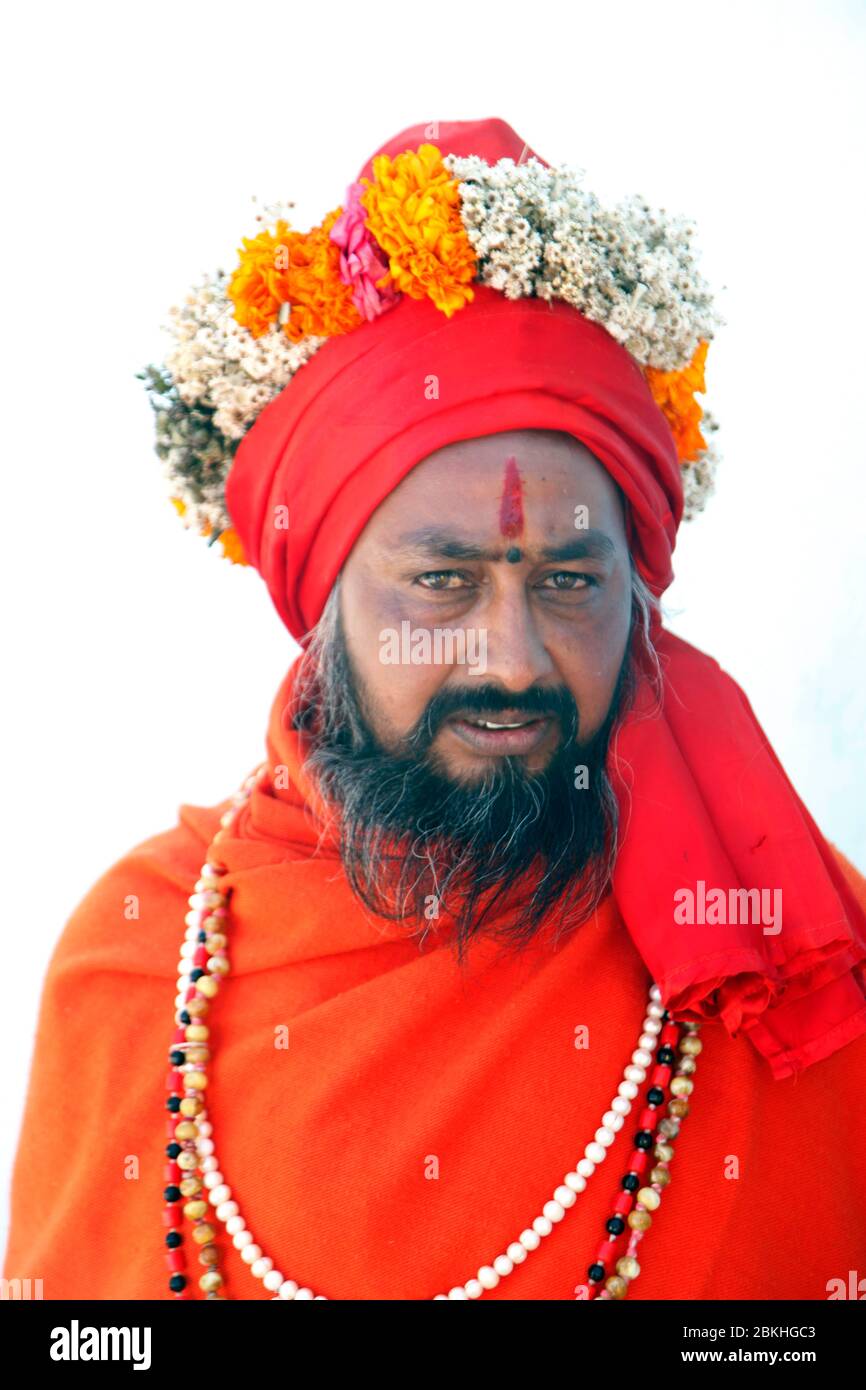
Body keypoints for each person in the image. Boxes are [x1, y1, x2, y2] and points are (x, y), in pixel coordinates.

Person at [4, 119, 866, 1303]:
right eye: (441, 580)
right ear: (322, 606)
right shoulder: (137, 958)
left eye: (568, 582)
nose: (510, 659)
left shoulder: (782, 957)